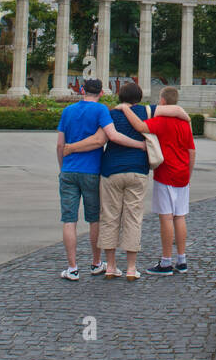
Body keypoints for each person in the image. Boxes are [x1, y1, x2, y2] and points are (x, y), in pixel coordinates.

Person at [65, 82, 192, 282]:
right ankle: (131, 268)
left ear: (119, 96)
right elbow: (175, 109)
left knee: (109, 217)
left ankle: (111, 266)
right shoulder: (146, 111)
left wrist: (70, 148)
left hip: (111, 171)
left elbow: (99, 139)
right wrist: (187, 117)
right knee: (133, 218)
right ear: (139, 97)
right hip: (137, 170)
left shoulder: (111, 114)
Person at [55, 78, 147, 282]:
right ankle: (97, 263)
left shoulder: (68, 110)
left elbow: (60, 144)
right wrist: (139, 145)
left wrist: (63, 167)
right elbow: (109, 137)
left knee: (69, 220)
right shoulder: (101, 111)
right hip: (92, 171)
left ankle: (72, 268)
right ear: (102, 93)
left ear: (81, 90)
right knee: (94, 219)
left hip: (69, 170)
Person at [116, 87, 195, 276]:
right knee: (180, 216)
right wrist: (188, 174)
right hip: (183, 174)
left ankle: (166, 262)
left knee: (166, 217)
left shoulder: (162, 120)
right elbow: (192, 151)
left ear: (162, 102)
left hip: (166, 173)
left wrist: (125, 109)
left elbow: (140, 127)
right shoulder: (185, 123)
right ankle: (182, 260)